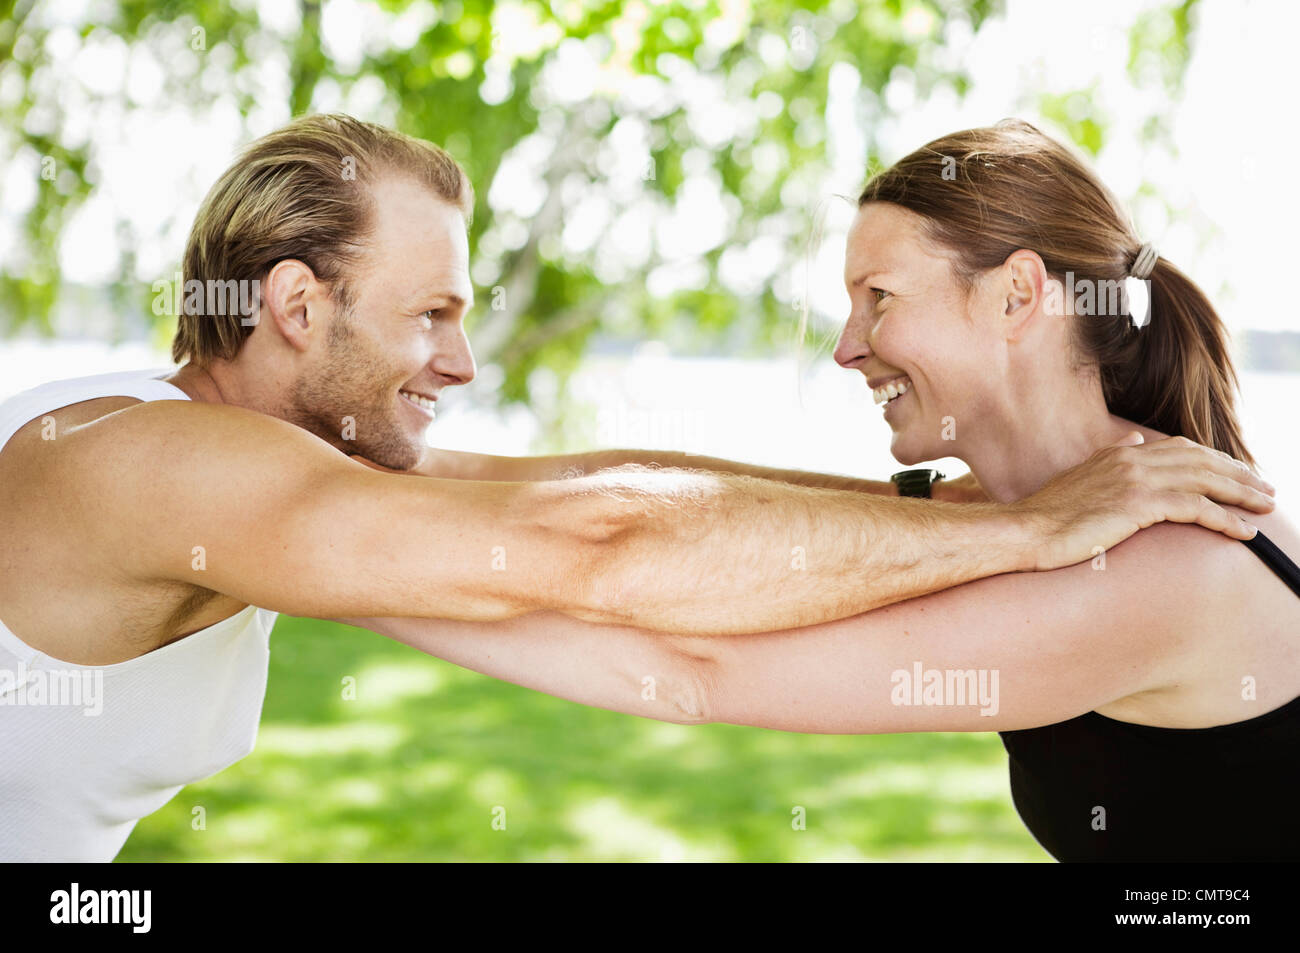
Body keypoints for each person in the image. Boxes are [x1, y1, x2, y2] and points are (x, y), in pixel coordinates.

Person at [0, 114, 1274, 862]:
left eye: (875, 299)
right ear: (291, 306)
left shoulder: (1158, 552)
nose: (462, 359)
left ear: (1017, 297)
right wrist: (1020, 527)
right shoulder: (173, 467)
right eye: (430, 312)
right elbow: (597, 532)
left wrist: (1000, 527)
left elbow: (609, 508)